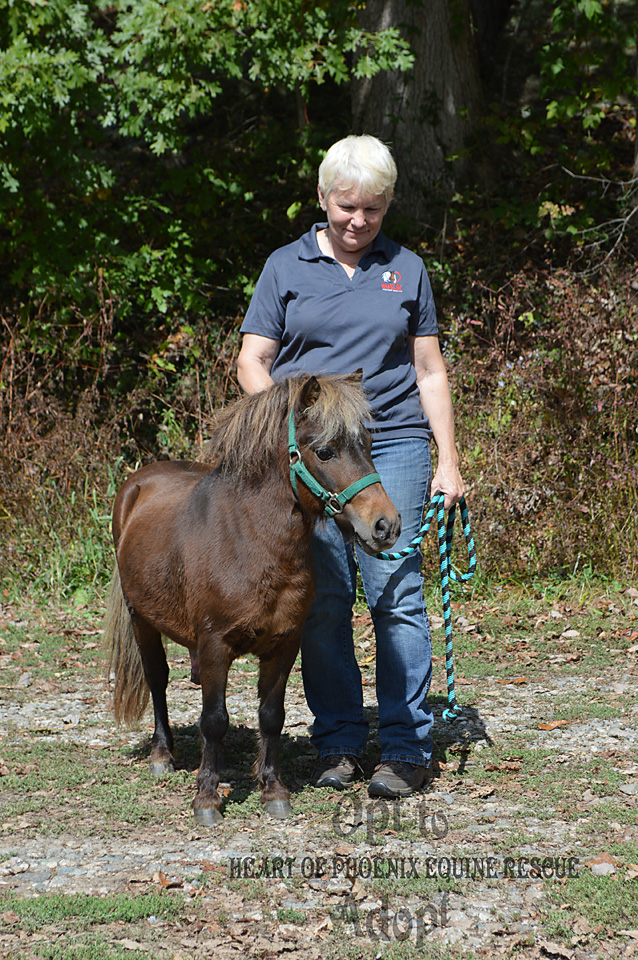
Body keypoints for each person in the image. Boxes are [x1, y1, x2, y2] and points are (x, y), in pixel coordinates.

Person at [236, 135, 464, 798]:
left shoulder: (407, 269)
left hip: (390, 446)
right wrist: (293, 426)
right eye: (346, 208)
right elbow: (253, 361)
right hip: (313, 462)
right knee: (325, 602)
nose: (358, 221)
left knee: (394, 594)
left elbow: (429, 370)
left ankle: (405, 746)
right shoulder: (285, 267)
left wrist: (448, 459)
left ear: (387, 205)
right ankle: (337, 743)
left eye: (372, 209)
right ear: (323, 201)